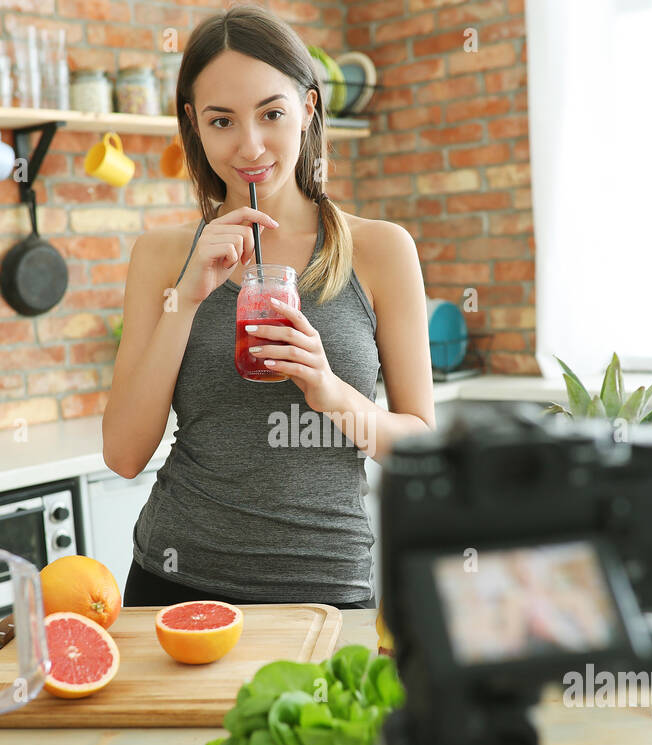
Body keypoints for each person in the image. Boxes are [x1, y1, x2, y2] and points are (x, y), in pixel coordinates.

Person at [101, 6, 435, 610]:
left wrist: (331, 392)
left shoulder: (382, 250)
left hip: (327, 591)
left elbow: (418, 448)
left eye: (271, 113)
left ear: (307, 110)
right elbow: (124, 455)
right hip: (174, 586)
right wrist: (189, 298)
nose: (249, 146)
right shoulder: (160, 256)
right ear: (193, 125)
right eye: (222, 120)